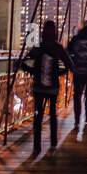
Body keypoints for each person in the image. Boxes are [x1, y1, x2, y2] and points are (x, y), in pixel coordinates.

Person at [19, 20, 71, 155]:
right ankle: (53, 143)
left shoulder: (38, 47)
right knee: (52, 114)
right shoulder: (58, 48)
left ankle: (37, 147)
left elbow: (23, 63)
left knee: (38, 115)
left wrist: (34, 72)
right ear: (55, 32)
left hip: (38, 87)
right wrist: (59, 73)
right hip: (52, 87)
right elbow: (69, 64)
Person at [66, 21, 87, 127]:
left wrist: (72, 64)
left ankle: (77, 119)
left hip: (78, 71)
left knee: (77, 95)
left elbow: (68, 51)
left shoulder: (76, 39)